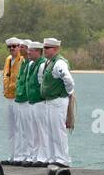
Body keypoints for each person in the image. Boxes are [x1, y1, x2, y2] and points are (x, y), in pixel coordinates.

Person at [37, 38, 75, 167]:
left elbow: (69, 80)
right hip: (50, 101)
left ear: (56, 49)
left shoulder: (59, 63)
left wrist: (68, 93)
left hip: (58, 100)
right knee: (50, 130)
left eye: (47, 48)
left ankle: (62, 159)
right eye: (44, 48)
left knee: (58, 131)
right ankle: (53, 157)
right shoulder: (49, 62)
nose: (45, 51)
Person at [18, 40, 45, 165]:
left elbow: (41, 84)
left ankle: (42, 157)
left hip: (40, 101)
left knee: (41, 130)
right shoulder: (30, 64)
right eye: (28, 50)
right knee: (33, 131)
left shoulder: (42, 64)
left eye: (31, 50)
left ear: (38, 52)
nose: (28, 52)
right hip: (32, 101)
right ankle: (34, 156)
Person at [0, 38, 23, 164]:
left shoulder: (22, 60)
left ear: (19, 47)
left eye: (14, 46)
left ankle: (20, 156)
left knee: (19, 128)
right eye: (10, 47)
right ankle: (12, 155)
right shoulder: (8, 60)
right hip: (8, 97)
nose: (12, 49)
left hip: (19, 98)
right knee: (11, 128)